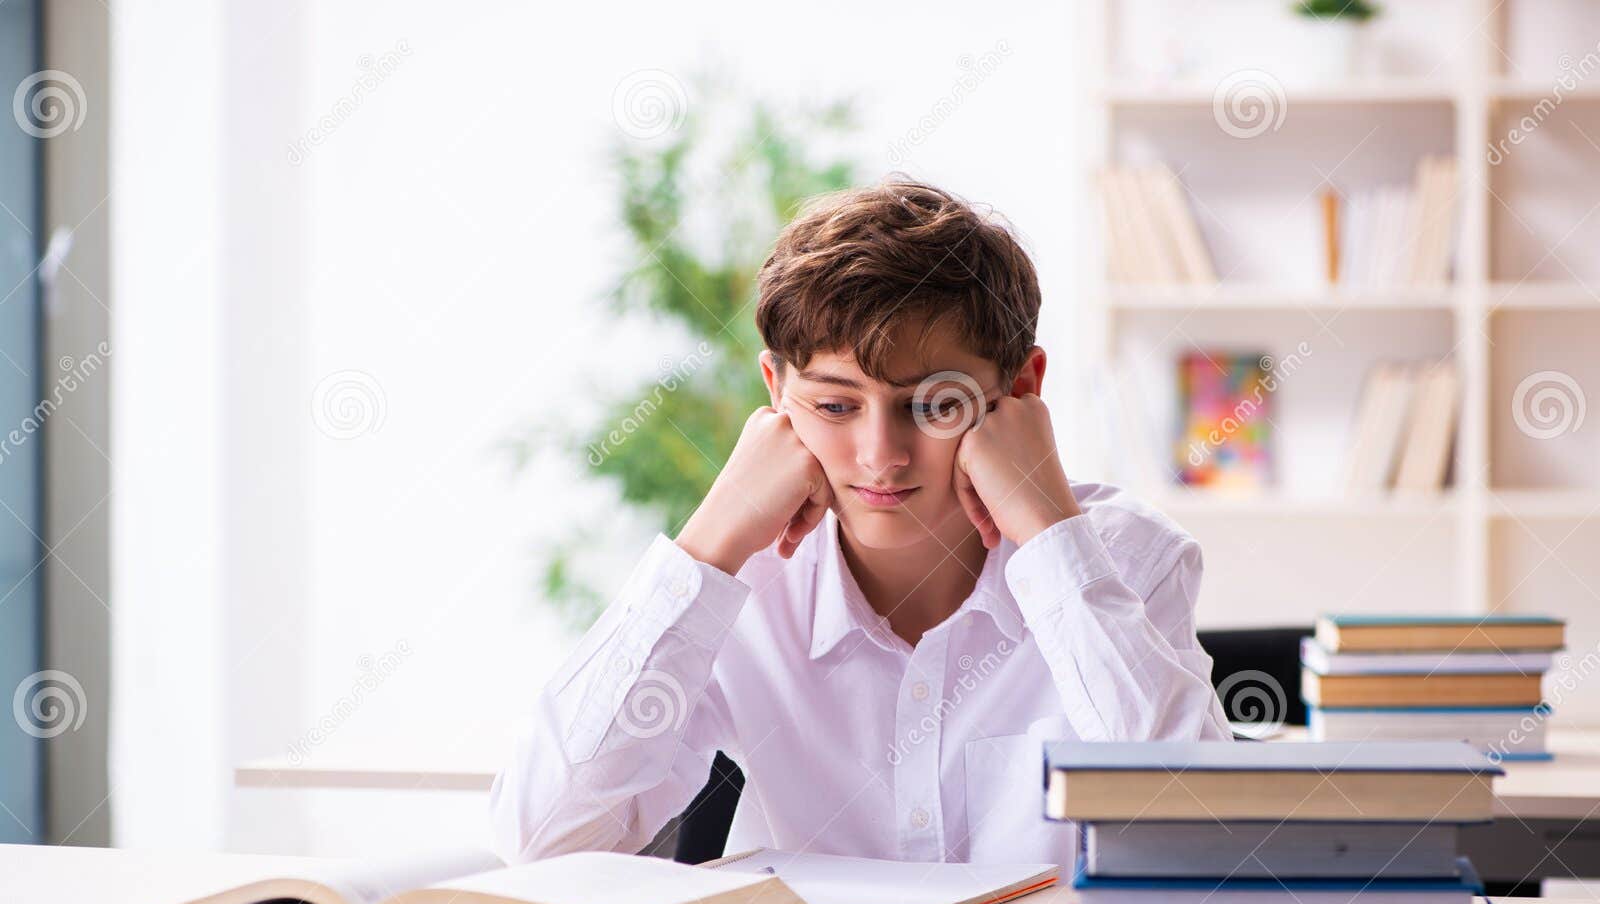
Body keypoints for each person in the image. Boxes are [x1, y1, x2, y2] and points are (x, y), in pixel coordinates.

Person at [489, 179, 1231, 868]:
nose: (881, 457)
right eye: (836, 408)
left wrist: (1046, 530)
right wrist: (707, 544)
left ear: (1020, 392)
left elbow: (1206, 841)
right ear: (778, 396)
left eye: (932, 405)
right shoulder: (742, 584)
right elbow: (543, 844)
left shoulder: (1124, 561)